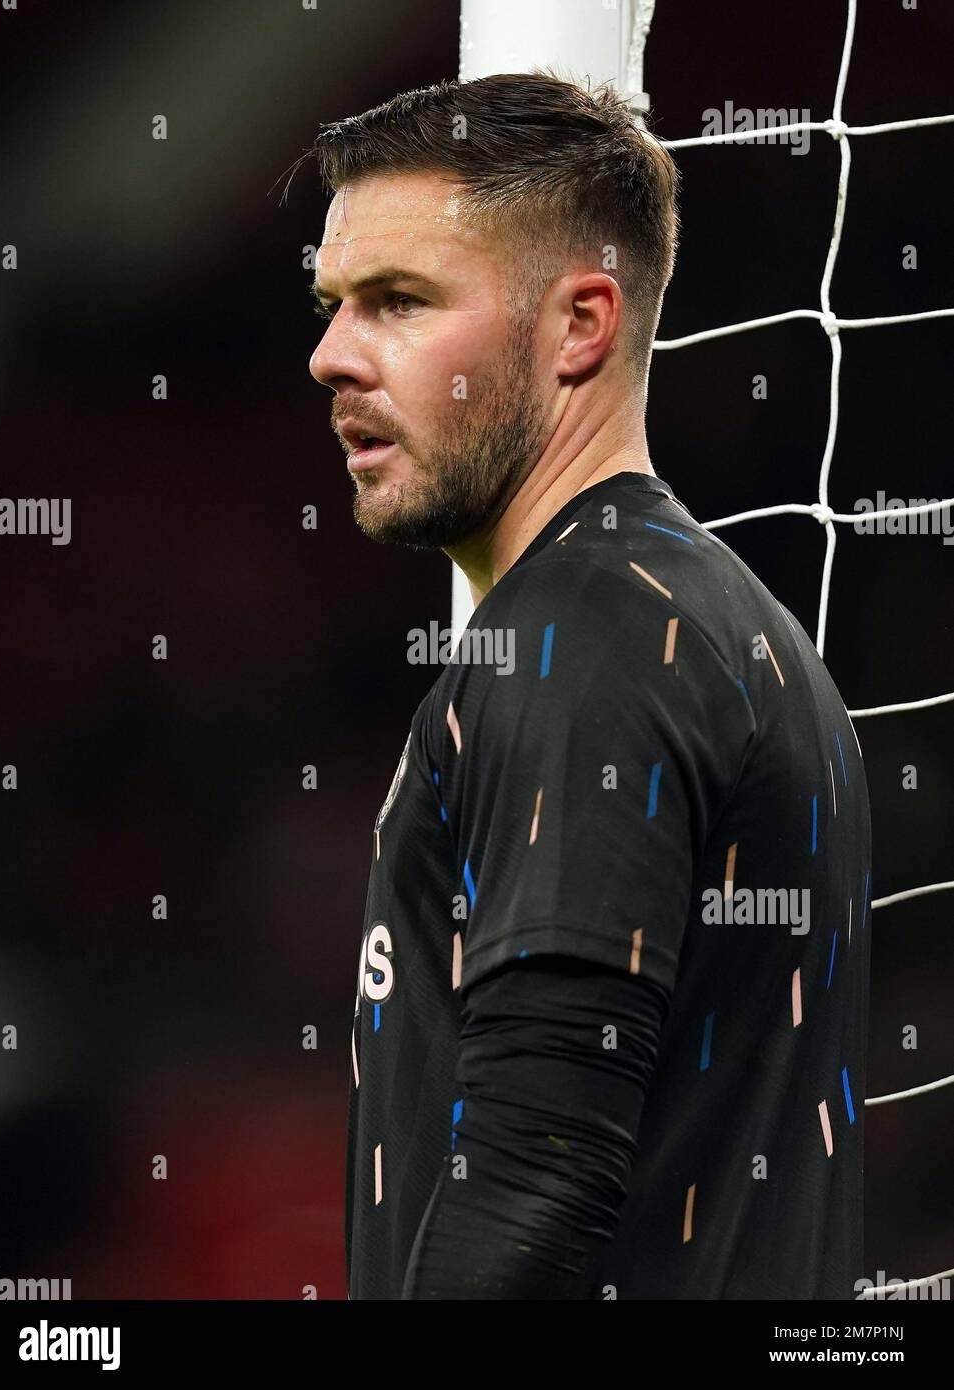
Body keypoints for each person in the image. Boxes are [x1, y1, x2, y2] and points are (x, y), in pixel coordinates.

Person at [302, 70, 871, 1299]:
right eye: (334, 303)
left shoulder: (588, 639)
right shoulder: (715, 619)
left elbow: (533, 1179)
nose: (330, 357)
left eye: (397, 302)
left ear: (580, 325)